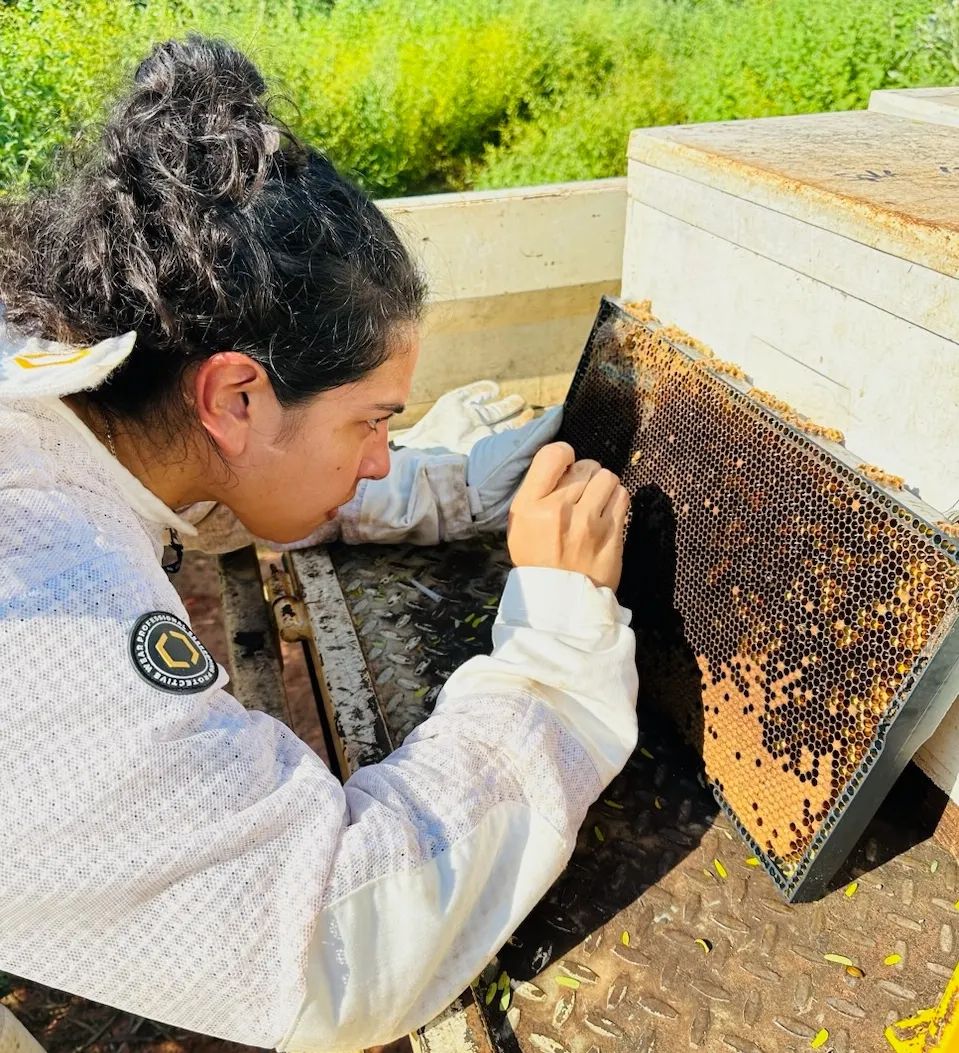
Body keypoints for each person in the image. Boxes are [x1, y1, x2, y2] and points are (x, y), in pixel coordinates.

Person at [0, 35, 638, 1053]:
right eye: (374, 423)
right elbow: (335, 956)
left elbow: (213, 471)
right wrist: (556, 655)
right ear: (236, 394)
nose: (382, 457)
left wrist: (451, 484)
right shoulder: (42, 601)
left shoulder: (61, 366)